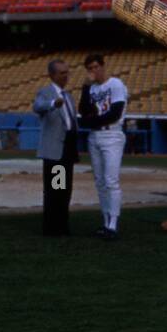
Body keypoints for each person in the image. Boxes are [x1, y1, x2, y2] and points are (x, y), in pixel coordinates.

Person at [78, 53, 127, 241]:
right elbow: (83, 110)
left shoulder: (115, 84)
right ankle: (106, 221)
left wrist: (91, 121)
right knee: (99, 181)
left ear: (103, 66)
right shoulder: (91, 88)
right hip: (95, 135)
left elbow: (114, 113)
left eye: (95, 67)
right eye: (89, 68)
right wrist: (85, 87)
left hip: (112, 133)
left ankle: (113, 223)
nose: (93, 71)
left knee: (110, 180)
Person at [32, 58, 78, 237]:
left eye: (67, 72)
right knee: (55, 190)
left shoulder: (68, 96)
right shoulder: (45, 93)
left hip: (68, 148)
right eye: (62, 73)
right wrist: (53, 104)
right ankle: (52, 228)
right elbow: (38, 107)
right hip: (55, 151)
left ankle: (62, 226)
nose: (66, 76)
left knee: (65, 189)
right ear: (52, 75)